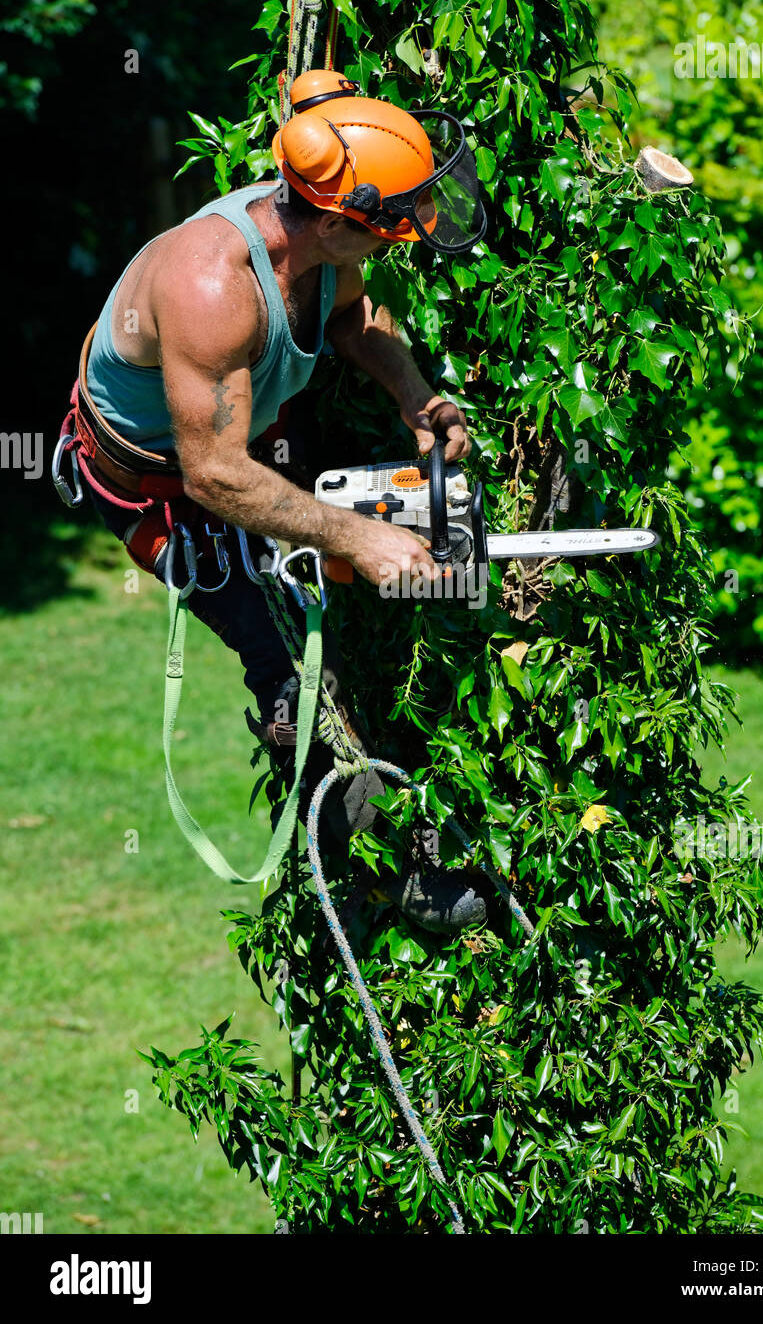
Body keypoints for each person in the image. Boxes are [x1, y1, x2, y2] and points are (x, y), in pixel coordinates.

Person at [54, 70, 490, 932]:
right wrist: (356, 541)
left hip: (234, 449)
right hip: (168, 491)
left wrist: (412, 395)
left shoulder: (320, 239)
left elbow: (353, 322)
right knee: (291, 669)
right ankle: (376, 874)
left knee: (353, 577)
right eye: (392, 228)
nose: (404, 239)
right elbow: (215, 474)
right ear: (335, 221)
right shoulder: (212, 286)